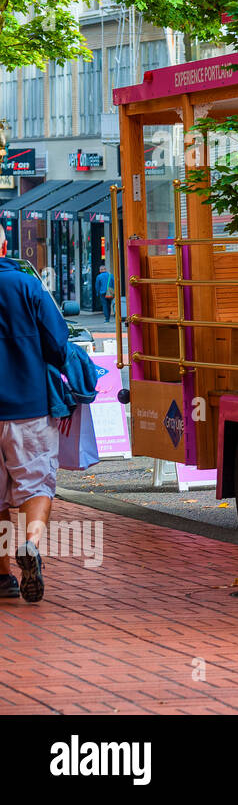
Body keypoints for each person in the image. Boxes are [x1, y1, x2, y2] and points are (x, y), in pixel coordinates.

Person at [0, 252, 69, 602]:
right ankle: (30, 545)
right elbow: (58, 341)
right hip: (28, 404)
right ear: (3, 247)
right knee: (37, 482)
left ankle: (2, 577)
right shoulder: (28, 284)